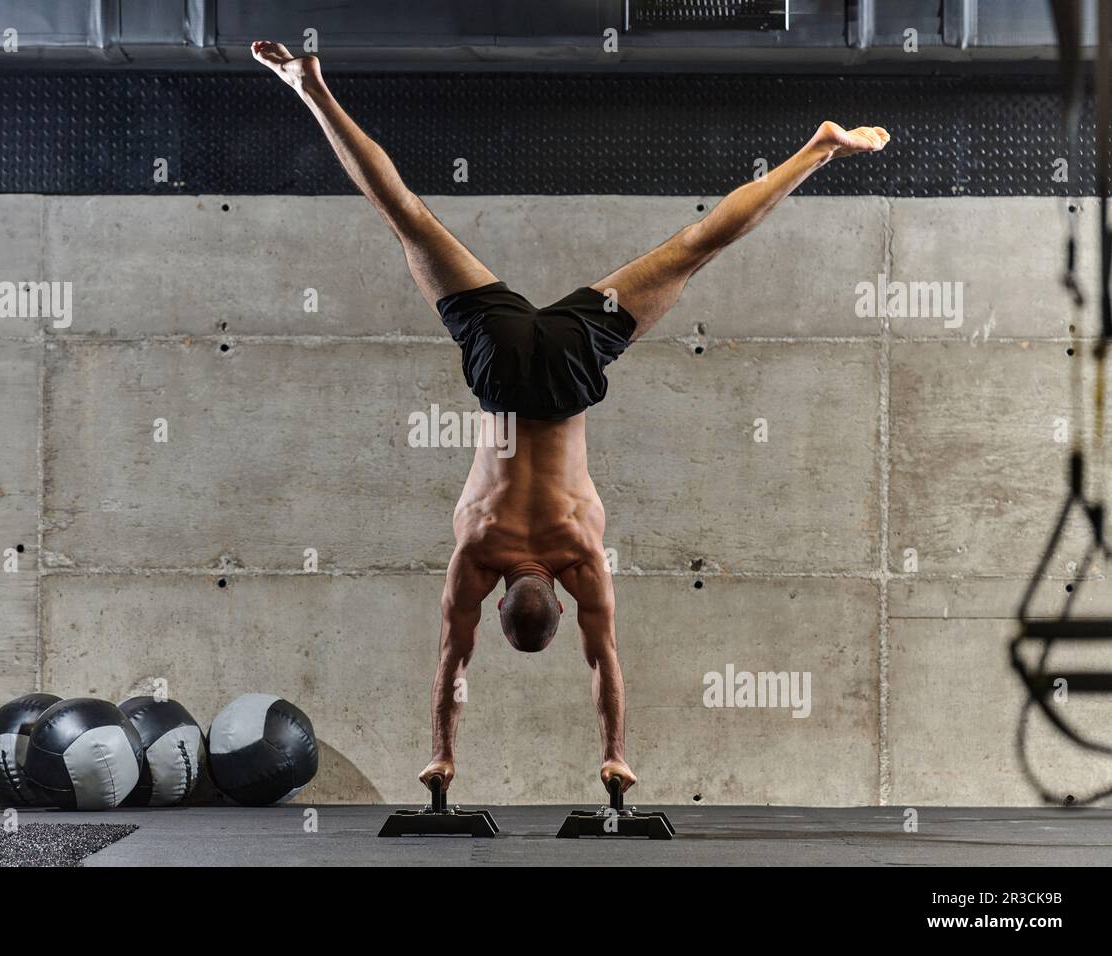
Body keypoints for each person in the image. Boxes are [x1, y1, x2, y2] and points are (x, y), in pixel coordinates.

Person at [253, 39, 890, 797]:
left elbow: (599, 662)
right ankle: (313, 90)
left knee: (693, 249)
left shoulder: (581, 555)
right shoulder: (479, 554)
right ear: (508, 600)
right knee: (408, 219)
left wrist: (615, 752)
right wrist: (441, 753)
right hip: (500, 360)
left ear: (557, 597)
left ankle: (817, 149)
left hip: (570, 365)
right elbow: (452, 664)